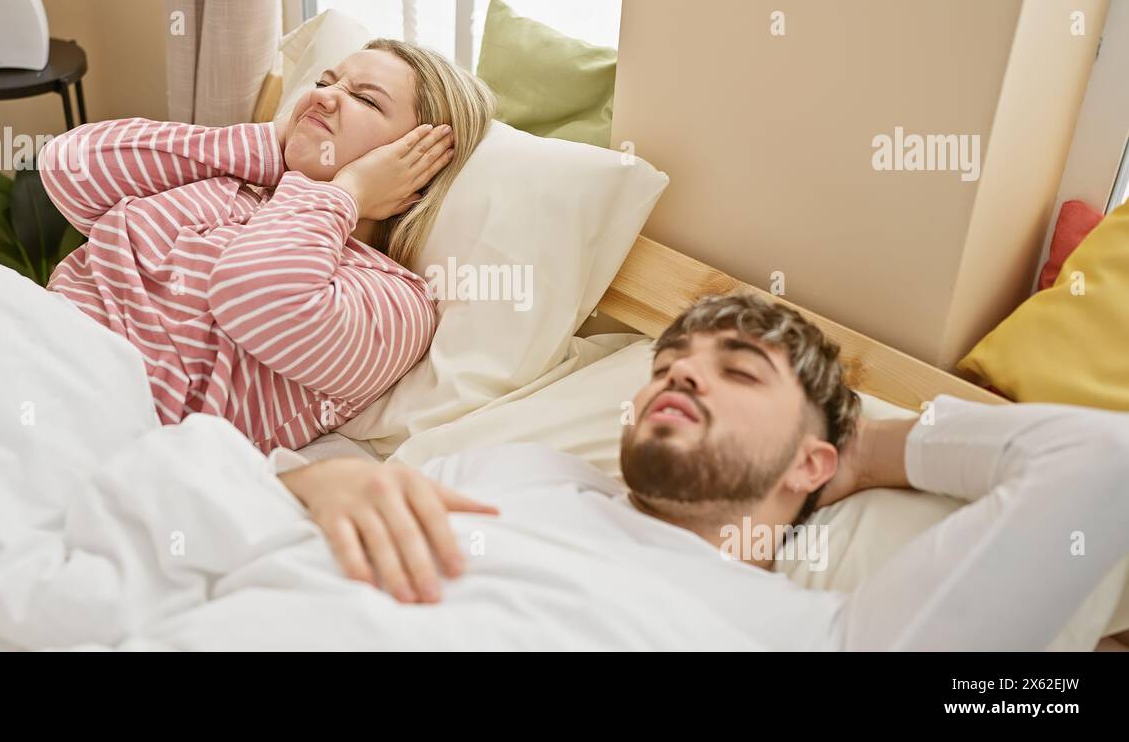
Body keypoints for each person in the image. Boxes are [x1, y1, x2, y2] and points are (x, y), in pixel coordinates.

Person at [274, 292, 1129, 650]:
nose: (680, 372)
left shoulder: (823, 633)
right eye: (670, 360)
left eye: (741, 371)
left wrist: (873, 449)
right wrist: (315, 482)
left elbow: (1101, 461)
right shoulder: (516, 469)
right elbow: (255, 520)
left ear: (814, 461)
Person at [38, 39, 496, 452]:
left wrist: (347, 192)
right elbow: (67, 168)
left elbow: (251, 295)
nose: (320, 95)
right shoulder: (237, 181)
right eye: (323, 82)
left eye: (363, 99)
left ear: (419, 161)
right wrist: (272, 139)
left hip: (87, 417)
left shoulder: (396, 304)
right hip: (30, 334)